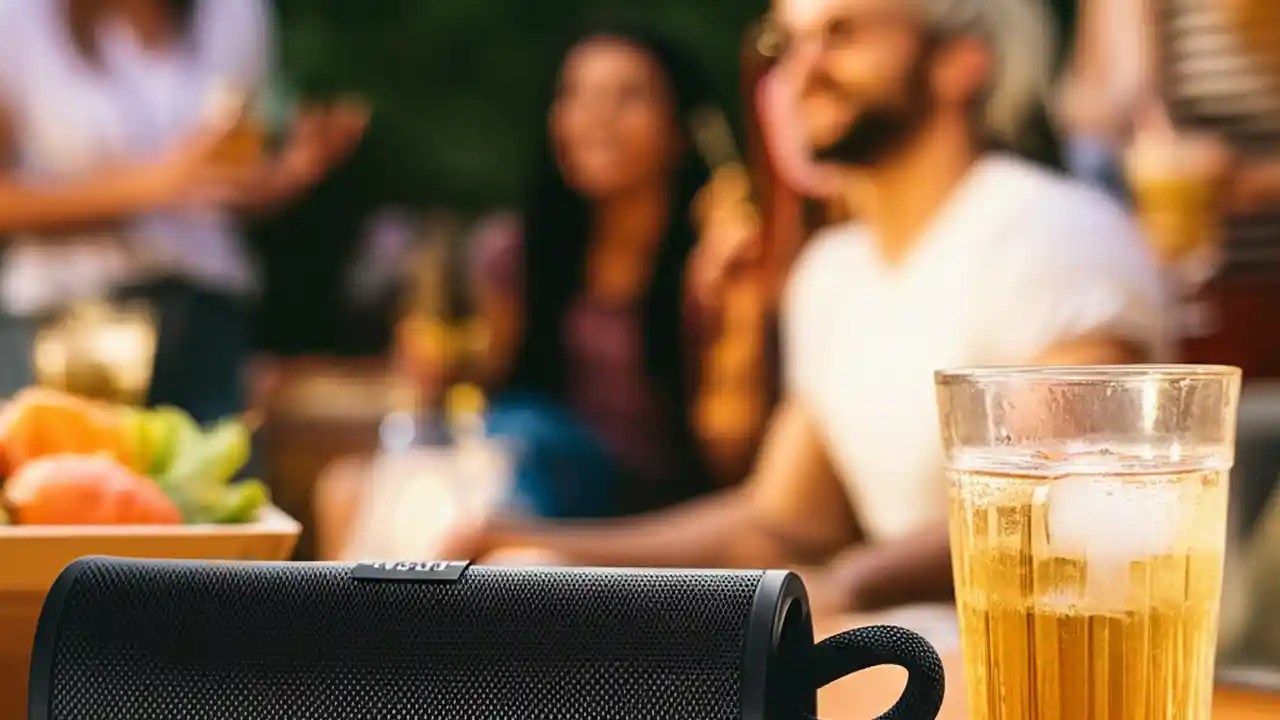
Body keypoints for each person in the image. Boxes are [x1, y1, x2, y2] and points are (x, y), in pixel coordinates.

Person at [450, 0, 1172, 613]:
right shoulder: (832, 274)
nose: (802, 69)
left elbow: (1048, 505)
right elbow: (776, 525)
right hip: (914, 658)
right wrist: (537, 553)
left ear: (960, 61)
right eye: (788, 44)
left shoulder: (1055, 233)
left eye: (842, 35)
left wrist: (849, 585)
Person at [408, 24, 727, 518]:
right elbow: (485, 385)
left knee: (523, 438)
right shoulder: (519, 253)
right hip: (531, 481)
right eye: (576, 95)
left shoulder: (717, 257)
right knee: (361, 481)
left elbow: (730, 450)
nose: (597, 117)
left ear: (682, 129)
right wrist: (439, 371)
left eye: (629, 97)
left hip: (658, 505)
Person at [0, 0, 365, 421]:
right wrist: (158, 184)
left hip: (202, 327)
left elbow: (222, 190)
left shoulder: (236, 13)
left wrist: (287, 175)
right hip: (62, 334)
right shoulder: (18, 17)